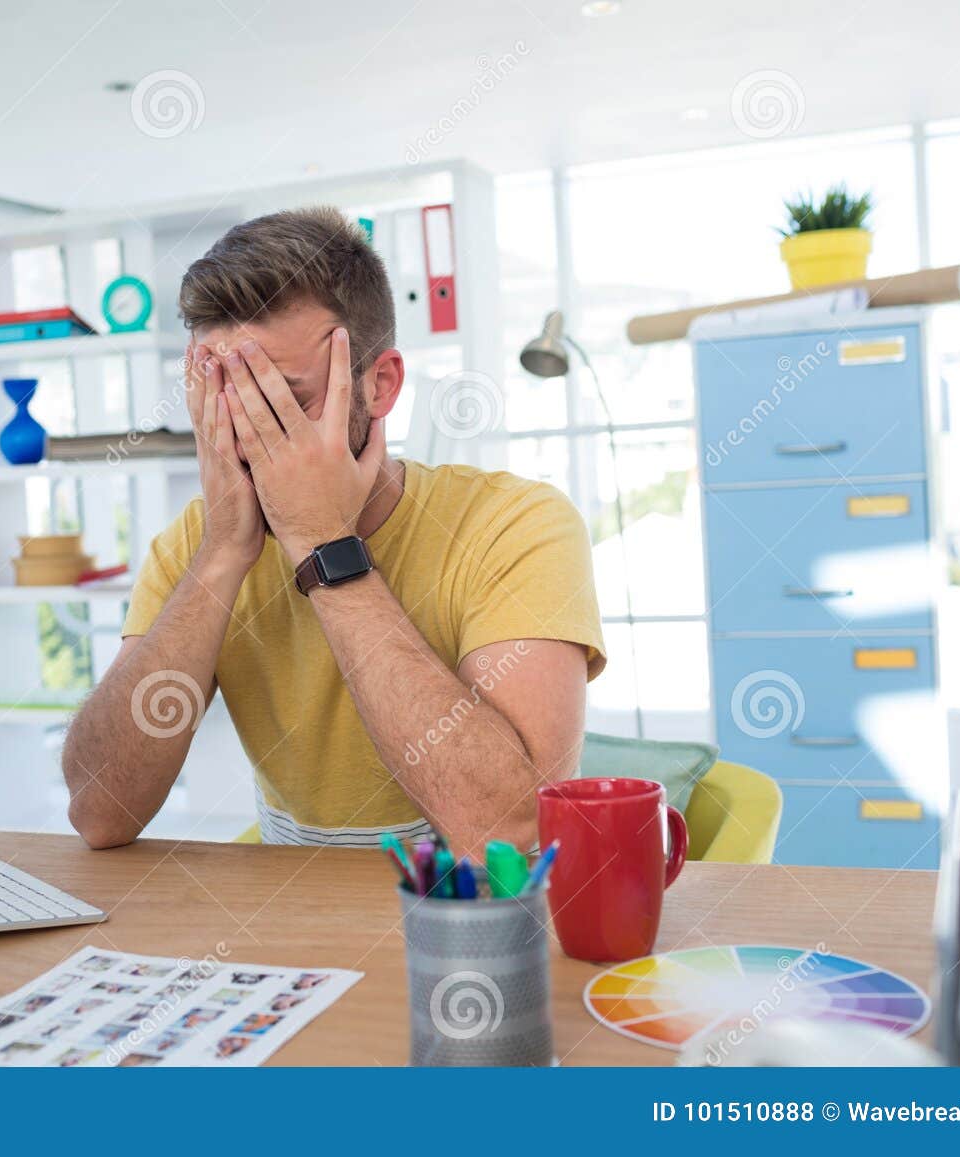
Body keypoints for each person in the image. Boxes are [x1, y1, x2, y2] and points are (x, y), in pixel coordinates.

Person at [63, 206, 605, 854]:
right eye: (225, 397)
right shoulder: (199, 541)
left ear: (380, 385)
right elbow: (99, 809)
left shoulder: (518, 526)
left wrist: (324, 545)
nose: (249, 435)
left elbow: (513, 834)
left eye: (283, 399)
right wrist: (220, 556)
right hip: (297, 930)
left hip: (482, 931)